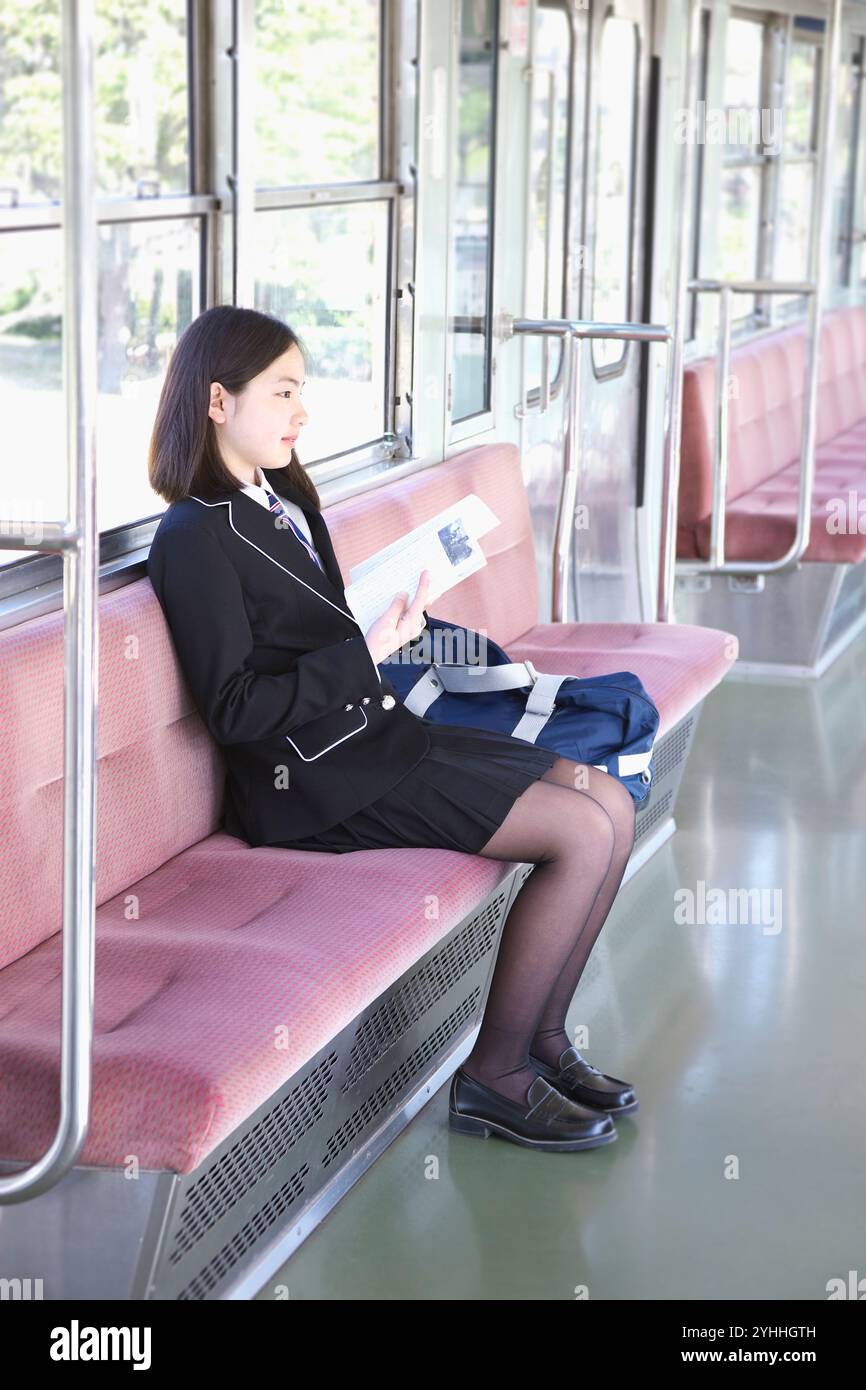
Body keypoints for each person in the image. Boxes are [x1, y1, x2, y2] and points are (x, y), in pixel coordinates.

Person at [147, 306, 638, 1155]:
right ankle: (495, 1076)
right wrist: (365, 651)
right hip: (308, 784)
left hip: (372, 737)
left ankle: (544, 1041)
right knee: (579, 834)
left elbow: (318, 631)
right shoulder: (192, 534)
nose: (302, 413)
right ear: (219, 401)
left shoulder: (284, 498)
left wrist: (385, 621)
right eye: (285, 393)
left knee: (610, 804)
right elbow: (233, 710)